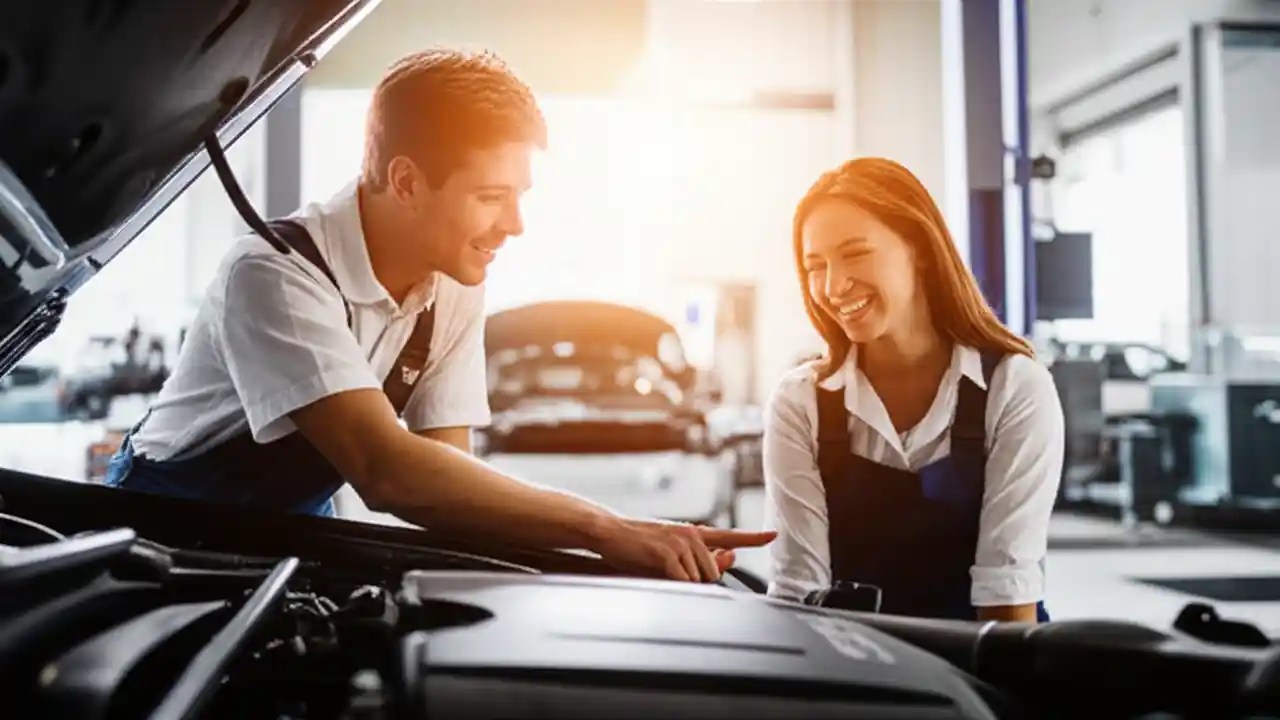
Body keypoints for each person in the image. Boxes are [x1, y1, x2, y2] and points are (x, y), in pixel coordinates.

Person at [104, 48, 774, 583]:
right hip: (163, 537)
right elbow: (387, 472)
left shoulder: (454, 282)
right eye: (491, 196)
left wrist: (613, 561)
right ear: (405, 182)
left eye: (519, 195)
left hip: (288, 537)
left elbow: (449, 486)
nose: (514, 224)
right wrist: (607, 529)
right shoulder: (274, 275)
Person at [762, 157, 1063, 621]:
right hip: (850, 655)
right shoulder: (801, 403)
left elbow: (1007, 594)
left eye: (855, 253)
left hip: (985, 654)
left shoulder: (1014, 388)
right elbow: (799, 592)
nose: (833, 286)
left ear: (919, 246)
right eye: (815, 266)